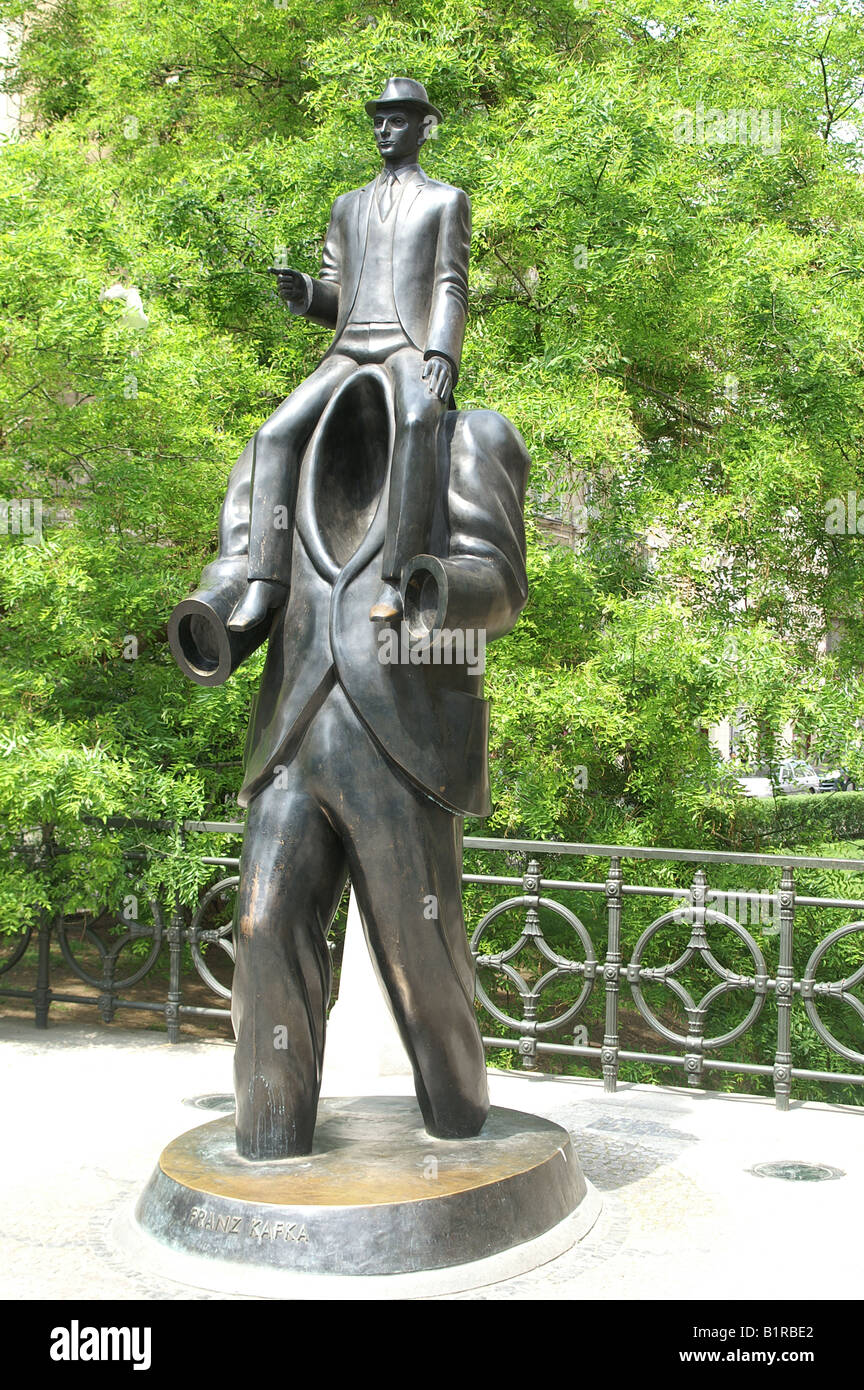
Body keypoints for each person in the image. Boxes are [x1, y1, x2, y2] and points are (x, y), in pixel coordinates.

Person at [227, 77, 470, 631]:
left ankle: (397, 577)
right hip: (348, 348)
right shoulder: (347, 206)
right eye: (379, 121)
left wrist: (441, 353)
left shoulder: (445, 201)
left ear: (422, 130)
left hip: (406, 347)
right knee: (274, 434)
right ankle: (264, 582)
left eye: (398, 121)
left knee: (418, 418)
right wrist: (307, 293)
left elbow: (450, 283)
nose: (385, 130)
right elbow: (336, 293)